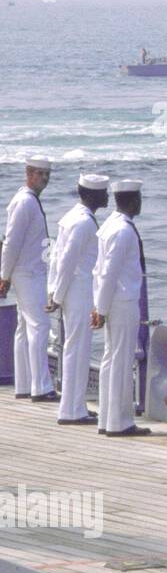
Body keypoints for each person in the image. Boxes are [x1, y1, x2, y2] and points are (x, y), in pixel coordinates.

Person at [47, 173, 111, 425]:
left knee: (75, 349)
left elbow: (56, 258)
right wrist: (58, 296)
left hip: (72, 290)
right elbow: (66, 261)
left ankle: (75, 405)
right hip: (79, 292)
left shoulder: (73, 217)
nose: (106, 196)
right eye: (103, 193)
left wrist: (54, 290)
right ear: (93, 195)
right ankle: (71, 411)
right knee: (77, 350)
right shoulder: (84, 223)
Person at [91, 179, 149, 437]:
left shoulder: (110, 225)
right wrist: (101, 309)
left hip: (113, 301)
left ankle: (107, 418)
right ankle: (120, 422)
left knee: (111, 359)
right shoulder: (123, 231)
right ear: (133, 201)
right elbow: (109, 273)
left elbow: (101, 272)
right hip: (122, 302)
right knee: (121, 361)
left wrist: (100, 306)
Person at [1, 155, 57, 403]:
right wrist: (4, 275)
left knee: (24, 328)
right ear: (28, 173)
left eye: (47, 175)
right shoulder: (24, 202)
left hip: (29, 271)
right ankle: (41, 387)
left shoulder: (30, 201)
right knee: (39, 326)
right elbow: (10, 242)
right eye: (39, 174)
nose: (44, 179)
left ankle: (23, 384)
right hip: (28, 273)